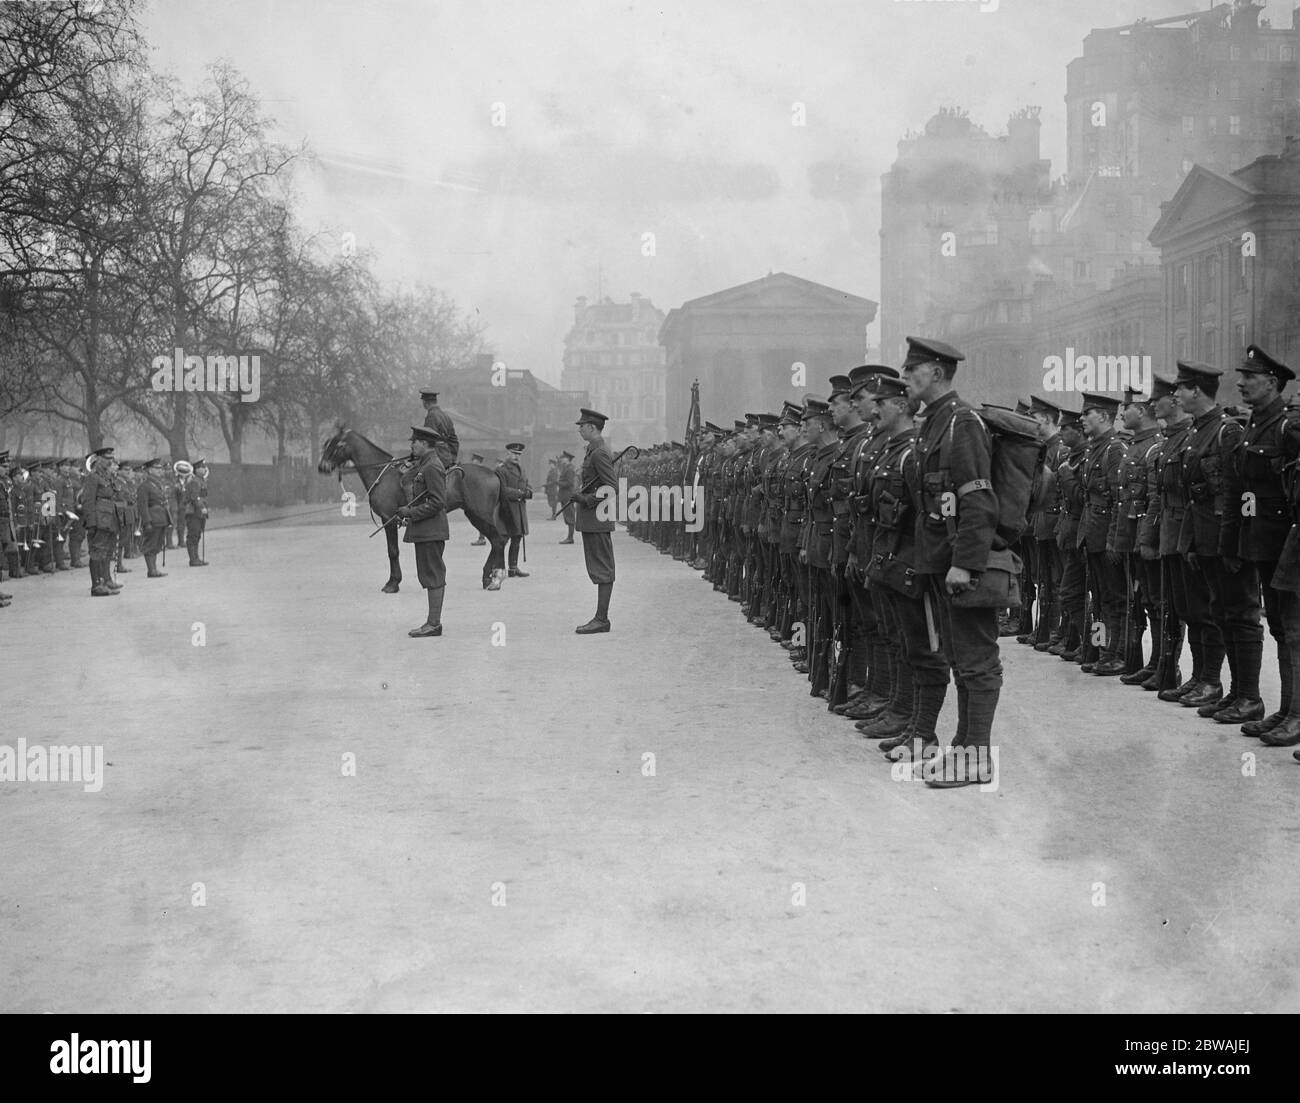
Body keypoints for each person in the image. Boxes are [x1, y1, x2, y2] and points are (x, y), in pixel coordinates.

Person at [901, 336, 1001, 789]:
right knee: (959, 656)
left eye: (910, 371)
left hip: (962, 563)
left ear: (936, 373)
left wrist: (965, 563)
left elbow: (977, 498)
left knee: (977, 659)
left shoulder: (962, 423)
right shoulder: (935, 423)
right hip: (942, 560)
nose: (904, 379)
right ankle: (963, 749)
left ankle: (978, 756)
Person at [395, 426, 450, 637]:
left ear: (425, 444)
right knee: (429, 574)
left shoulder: (432, 467)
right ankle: (432, 622)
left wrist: (410, 512)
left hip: (432, 531)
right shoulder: (425, 465)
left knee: (433, 574)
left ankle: (434, 624)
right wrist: (408, 515)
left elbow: (438, 502)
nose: (411, 445)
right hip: (427, 530)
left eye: (414, 442)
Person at [570, 408, 616, 634]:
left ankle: (601, 619)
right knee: (598, 567)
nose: (579, 429)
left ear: (592, 427)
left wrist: (585, 499)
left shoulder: (599, 453)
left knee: (603, 568)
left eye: (582, 426)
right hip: (593, 520)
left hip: (597, 519)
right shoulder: (593, 451)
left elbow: (611, 488)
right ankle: (600, 618)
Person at [80, 447, 123, 597]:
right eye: (106, 458)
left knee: (106, 551)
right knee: (97, 552)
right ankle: (96, 585)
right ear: (98, 459)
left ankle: (105, 580)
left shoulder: (107, 476)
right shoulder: (93, 477)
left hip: (109, 519)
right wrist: (91, 523)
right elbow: (88, 501)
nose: (109, 461)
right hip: (99, 519)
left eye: (111, 458)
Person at [498, 442, 533, 577]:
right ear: (507, 453)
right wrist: (520, 493)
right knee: (503, 540)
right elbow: (503, 490)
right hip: (507, 510)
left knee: (517, 538)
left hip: (519, 510)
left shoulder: (521, 469)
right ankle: (499, 567)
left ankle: (513, 568)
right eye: (513, 453)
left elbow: (528, 486)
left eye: (518, 454)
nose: (516, 456)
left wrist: (528, 492)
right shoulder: (501, 470)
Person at [136, 457, 172, 578]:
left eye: (160, 468)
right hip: (153, 518)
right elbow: (143, 506)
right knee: (151, 544)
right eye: (156, 468)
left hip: (161, 518)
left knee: (158, 544)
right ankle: (151, 570)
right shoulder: (145, 486)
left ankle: (154, 569)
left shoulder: (157, 484)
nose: (160, 470)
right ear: (149, 470)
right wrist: (147, 522)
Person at [420, 388, 459, 464]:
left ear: (425, 402)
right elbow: (454, 440)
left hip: (436, 458)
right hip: (447, 457)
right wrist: (452, 459)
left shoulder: (431, 416)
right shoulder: (446, 416)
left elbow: (428, 440)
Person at [183, 459, 209, 566]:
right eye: (201, 467)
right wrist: (202, 507)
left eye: (204, 467)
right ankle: (193, 559)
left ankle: (196, 558)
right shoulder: (194, 481)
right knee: (193, 535)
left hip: (199, 512)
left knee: (197, 534)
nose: (204, 469)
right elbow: (195, 497)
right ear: (197, 470)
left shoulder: (200, 480)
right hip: (194, 512)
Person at [467, 452, 488, 545]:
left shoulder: (483, 473)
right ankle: (482, 537)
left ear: (480, 463)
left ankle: (482, 538)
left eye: (475, 463)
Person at [556, 451, 577, 543]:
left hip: (568, 495)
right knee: (567, 516)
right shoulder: (566, 468)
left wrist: (558, 483)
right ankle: (569, 537)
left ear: (567, 459)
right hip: (565, 495)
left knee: (570, 516)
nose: (561, 459)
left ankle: (570, 538)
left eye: (563, 458)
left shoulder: (570, 469)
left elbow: (569, 483)